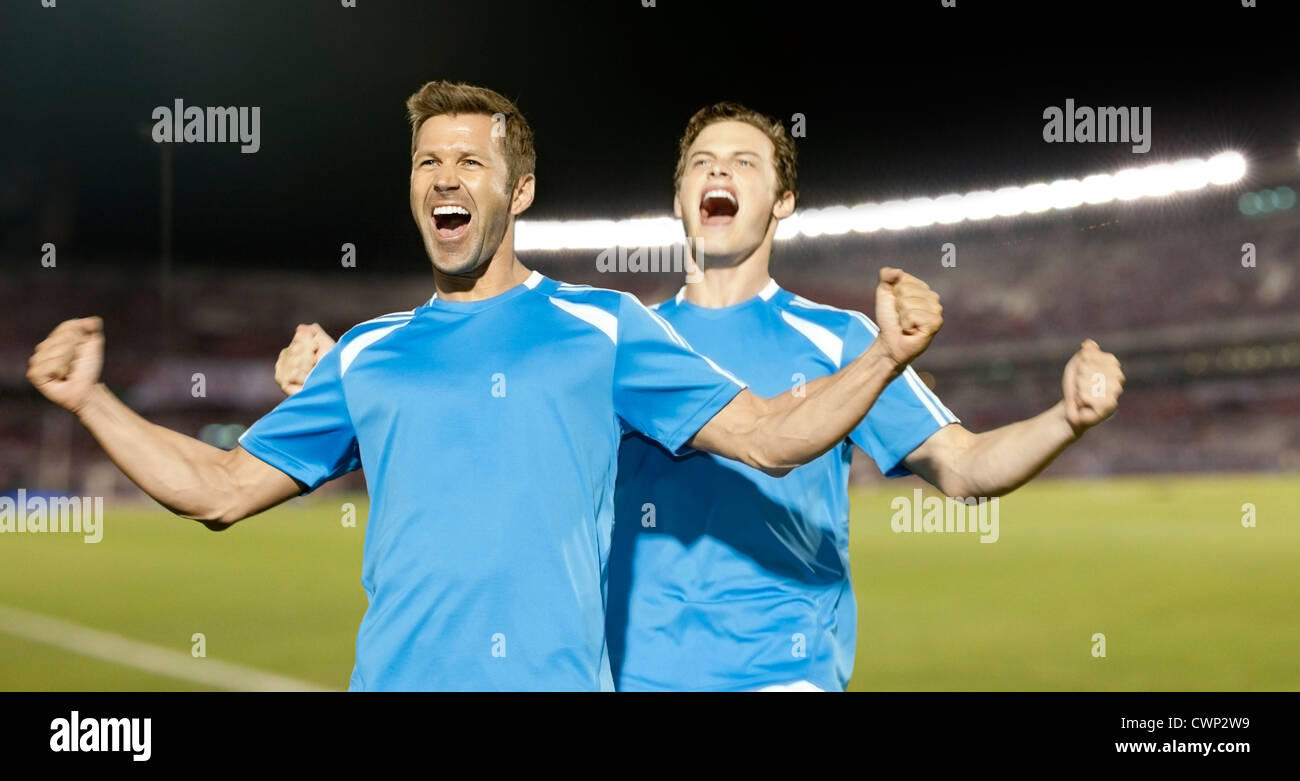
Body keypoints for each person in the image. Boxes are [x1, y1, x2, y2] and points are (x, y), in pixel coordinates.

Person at [26, 81, 946, 691]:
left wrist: (881, 357)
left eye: (472, 161)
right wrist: (91, 403)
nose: (446, 177)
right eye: (429, 161)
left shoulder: (605, 329)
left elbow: (769, 436)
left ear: (522, 189)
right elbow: (219, 491)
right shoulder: (369, 353)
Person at [280, 101, 1126, 692]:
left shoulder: (838, 341)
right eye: (701, 165)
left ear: (782, 200)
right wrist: (335, 378)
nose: (719, 173)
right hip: (625, 672)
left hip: (776, 670)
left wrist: (1066, 418)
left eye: (744, 163)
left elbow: (967, 465)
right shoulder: (607, 341)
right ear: (681, 197)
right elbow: (468, 419)